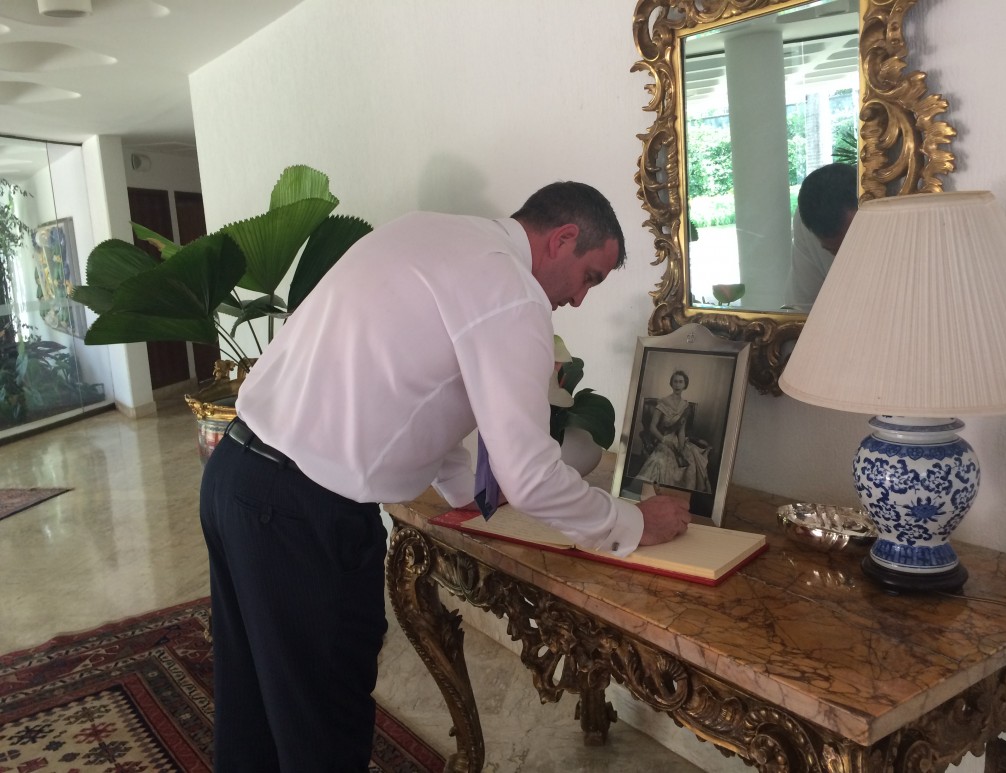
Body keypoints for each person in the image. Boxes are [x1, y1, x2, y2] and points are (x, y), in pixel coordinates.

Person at [198, 181, 695, 772]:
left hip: (234, 474)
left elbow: (419, 390)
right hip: (299, 514)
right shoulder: (512, 290)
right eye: (590, 277)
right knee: (321, 727)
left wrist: (466, 495)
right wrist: (634, 524)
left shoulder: (428, 230)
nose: (581, 299)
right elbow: (530, 475)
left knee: (251, 709)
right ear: (563, 238)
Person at [784, 163, 858, 311]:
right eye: (834, 251)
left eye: (854, 242)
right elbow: (802, 308)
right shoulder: (805, 222)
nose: (848, 257)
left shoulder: (893, 206)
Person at [637, 370, 711, 493]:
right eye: (675, 381)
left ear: (685, 385)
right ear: (671, 384)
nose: (677, 385)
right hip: (663, 439)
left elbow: (681, 431)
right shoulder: (663, 402)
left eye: (680, 382)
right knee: (661, 463)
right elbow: (652, 427)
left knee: (691, 460)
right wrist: (665, 441)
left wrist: (681, 447)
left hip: (677, 440)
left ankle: (679, 494)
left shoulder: (685, 406)